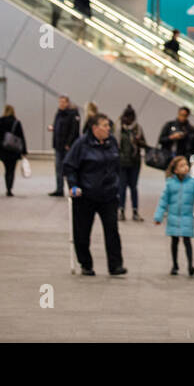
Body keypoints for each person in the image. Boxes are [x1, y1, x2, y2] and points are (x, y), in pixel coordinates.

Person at [63, 113, 126, 277]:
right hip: (86, 194)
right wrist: (73, 185)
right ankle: (86, 264)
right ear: (95, 128)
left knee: (112, 230)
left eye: (108, 126)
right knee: (82, 231)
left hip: (109, 194)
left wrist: (116, 184)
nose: (108, 129)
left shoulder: (112, 142)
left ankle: (115, 265)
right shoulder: (82, 144)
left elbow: (117, 165)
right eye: (105, 126)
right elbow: (69, 166)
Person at [117, 106, 147, 221]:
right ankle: (121, 210)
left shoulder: (138, 129)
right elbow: (115, 145)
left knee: (133, 187)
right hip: (122, 163)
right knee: (122, 187)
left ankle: (135, 211)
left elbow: (144, 144)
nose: (128, 120)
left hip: (134, 162)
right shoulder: (119, 129)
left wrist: (138, 141)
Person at [48, 96, 80, 196]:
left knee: (69, 168)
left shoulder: (72, 114)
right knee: (58, 168)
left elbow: (74, 130)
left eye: (63, 102)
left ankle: (72, 188)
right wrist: (53, 128)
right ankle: (59, 189)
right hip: (58, 145)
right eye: (60, 102)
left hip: (67, 147)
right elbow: (57, 126)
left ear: (67, 103)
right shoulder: (58, 113)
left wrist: (69, 144)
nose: (61, 104)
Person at [0, 104, 27, 196]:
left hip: (3, 150)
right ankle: (9, 188)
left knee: (6, 169)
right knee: (11, 170)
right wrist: (24, 151)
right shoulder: (16, 122)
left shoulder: (0, 122)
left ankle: (7, 186)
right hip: (14, 150)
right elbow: (21, 136)